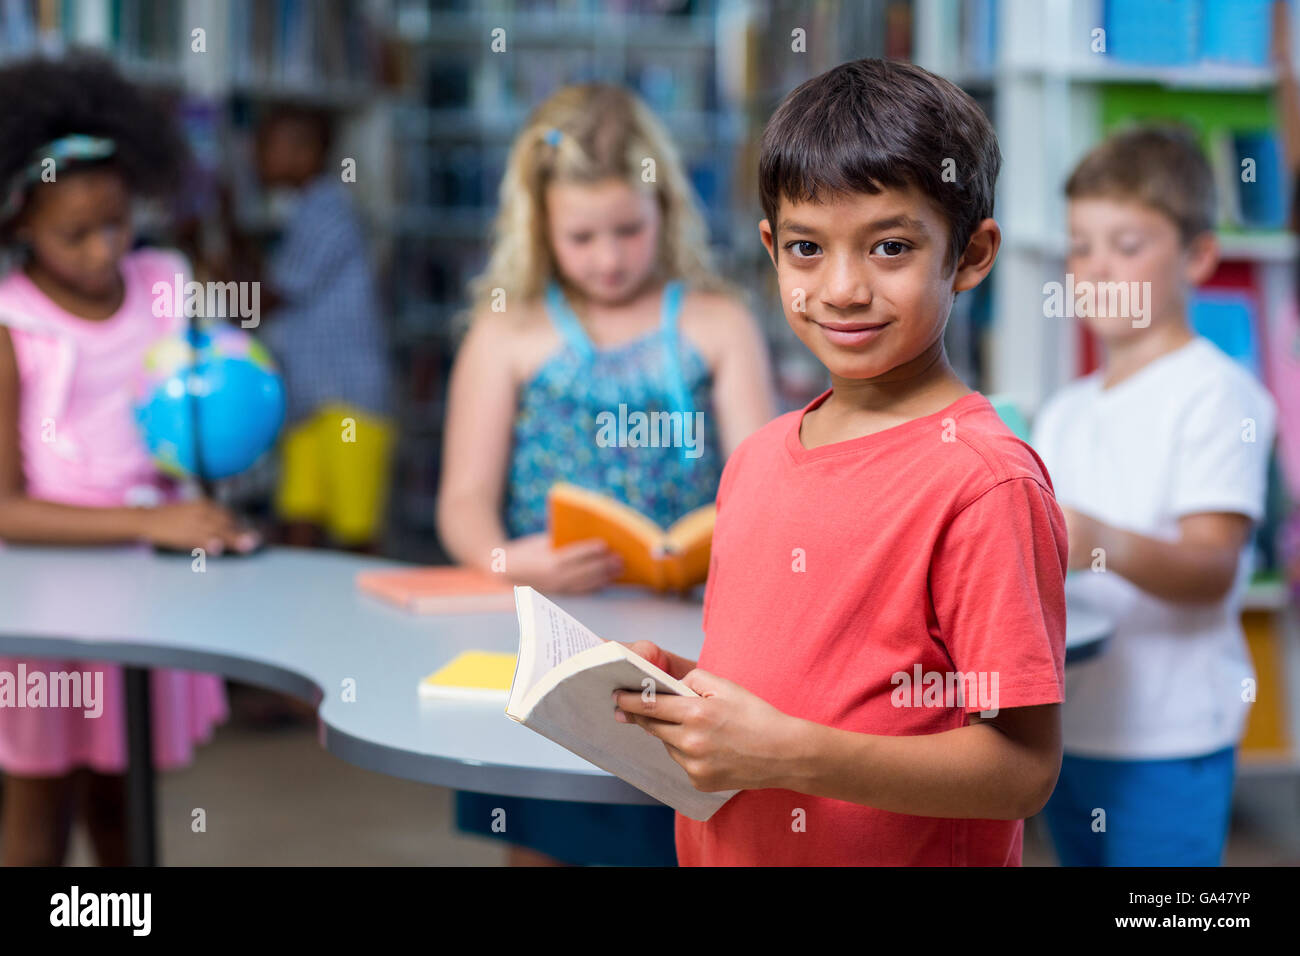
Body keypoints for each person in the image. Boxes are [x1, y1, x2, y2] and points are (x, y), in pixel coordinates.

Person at [613, 58, 1068, 866]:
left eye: (890, 246)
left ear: (971, 255)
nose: (844, 288)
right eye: (807, 249)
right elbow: (810, 684)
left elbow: (1022, 770)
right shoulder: (754, 460)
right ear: (771, 250)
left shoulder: (983, 482)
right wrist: (694, 698)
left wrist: (785, 750)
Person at [437, 83, 776, 864]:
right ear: (539, 226)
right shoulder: (505, 333)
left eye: (629, 229)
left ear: (666, 211)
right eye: (581, 237)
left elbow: (764, 490)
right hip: (553, 627)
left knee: (680, 825)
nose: (610, 257)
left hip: (692, 629)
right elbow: (462, 500)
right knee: (545, 834)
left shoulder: (716, 322)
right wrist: (504, 559)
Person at [0, 54, 255, 865]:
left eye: (116, 222)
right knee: (40, 793)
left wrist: (213, 481)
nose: (103, 249)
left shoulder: (163, 282)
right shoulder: (12, 326)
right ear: (17, 224)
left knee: (125, 793)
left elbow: (204, 401)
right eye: (74, 232)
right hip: (44, 608)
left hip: (147, 593)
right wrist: (156, 518)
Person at [1032, 127, 1276, 866]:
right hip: (1071, 729)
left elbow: (1210, 570)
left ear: (1197, 256)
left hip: (1170, 737)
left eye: (1127, 245)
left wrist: (1093, 538)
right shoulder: (1064, 410)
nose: (1097, 267)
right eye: (1080, 246)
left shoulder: (1219, 395)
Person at [253, 105, 393, 553]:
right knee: (299, 521)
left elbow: (266, 298)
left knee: (354, 535)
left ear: (304, 152)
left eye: (264, 147)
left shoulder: (327, 211)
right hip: (308, 399)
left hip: (347, 398)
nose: (255, 158)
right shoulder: (303, 212)